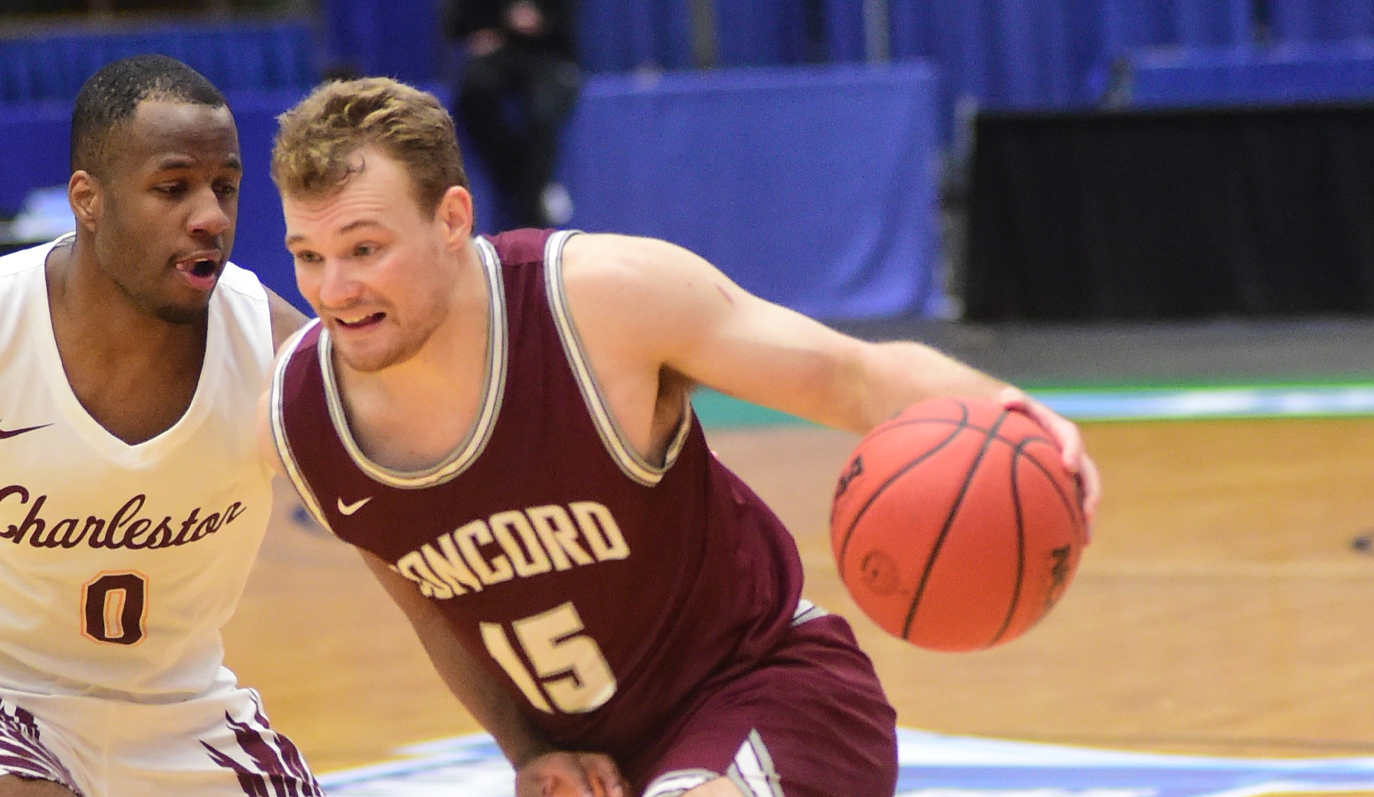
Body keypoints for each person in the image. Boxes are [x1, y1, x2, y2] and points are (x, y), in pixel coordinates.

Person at [260, 77, 1100, 797]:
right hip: (616, 761)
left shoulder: (601, 303)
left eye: (364, 248)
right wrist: (530, 748)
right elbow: (428, 604)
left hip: (769, 689)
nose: (335, 289)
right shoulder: (307, 415)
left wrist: (1012, 412)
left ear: (451, 219)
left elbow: (850, 377)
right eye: (308, 254)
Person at [0, 55, 322, 796]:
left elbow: (419, 541)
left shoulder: (275, 348)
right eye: (172, 188)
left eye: (226, 188)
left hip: (187, 713)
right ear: (89, 199)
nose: (210, 215)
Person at [449, 0, 580, 229]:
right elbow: (460, 22)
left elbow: (566, 17)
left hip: (547, 53)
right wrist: (487, 28)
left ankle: (532, 213)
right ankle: (532, 189)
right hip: (497, 51)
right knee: (475, 90)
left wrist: (540, 19)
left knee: (544, 112)